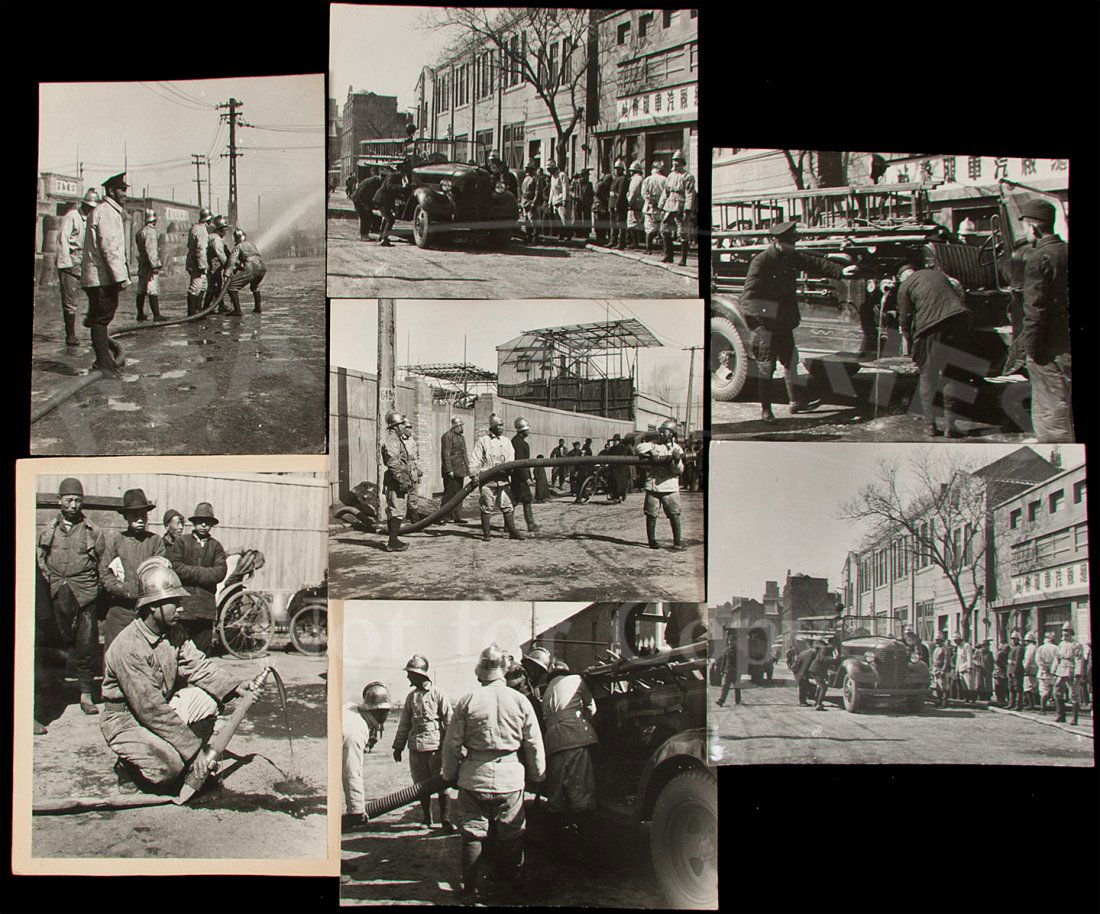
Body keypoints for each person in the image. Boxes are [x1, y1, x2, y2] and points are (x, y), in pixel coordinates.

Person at [100, 557, 253, 795]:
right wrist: (193, 752)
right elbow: (150, 708)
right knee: (171, 769)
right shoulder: (128, 647)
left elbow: (199, 666)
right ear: (153, 605)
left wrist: (236, 687)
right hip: (126, 720)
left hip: (156, 710)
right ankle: (127, 765)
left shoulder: (173, 631)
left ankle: (181, 757)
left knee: (209, 701)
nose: (181, 608)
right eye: (174, 602)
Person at [440, 643, 545, 900]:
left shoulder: (468, 700)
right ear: (504, 670)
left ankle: (470, 891)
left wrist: (449, 775)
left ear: (481, 671)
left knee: (472, 834)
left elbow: (452, 744)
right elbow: (533, 743)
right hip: (510, 779)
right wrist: (537, 776)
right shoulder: (520, 700)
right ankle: (515, 890)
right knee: (513, 834)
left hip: (474, 777)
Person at [742, 221, 859, 420]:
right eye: (789, 242)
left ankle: (795, 402)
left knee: (791, 361)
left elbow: (815, 263)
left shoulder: (790, 256)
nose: (792, 246)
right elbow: (749, 299)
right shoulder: (761, 261)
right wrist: (767, 319)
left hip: (784, 323)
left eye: (793, 242)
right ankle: (766, 410)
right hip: (767, 326)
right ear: (776, 241)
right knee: (766, 367)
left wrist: (841, 272)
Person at [35, 477, 102, 722]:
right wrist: (51, 581)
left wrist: (91, 589)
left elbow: (101, 563)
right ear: (59, 501)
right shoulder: (48, 529)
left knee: (86, 645)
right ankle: (56, 693)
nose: (74, 505)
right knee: (56, 646)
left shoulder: (92, 531)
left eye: (78, 500)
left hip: (84, 595)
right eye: (69, 500)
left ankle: (86, 694)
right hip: (56, 594)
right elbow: (41, 559)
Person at [895, 263, 976, 437]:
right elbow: (959, 291)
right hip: (958, 322)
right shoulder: (938, 273)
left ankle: (930, 425)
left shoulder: (905, 285)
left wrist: (909, 339)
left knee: (927, 376)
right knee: (953, 375)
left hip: (930, 329)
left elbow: (905, 316)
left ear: (902, 276)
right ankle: (950, 426)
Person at [1018, 199, 1072, 442]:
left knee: (1051, 413)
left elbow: (1034, 310)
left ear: (1033, 228)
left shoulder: (1038, 259)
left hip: (1048, 350)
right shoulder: (1065, 250)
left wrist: (1030, 349)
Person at [99, 488, 167, 652]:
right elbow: (104, 571)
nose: (140, 519)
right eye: (134, 515)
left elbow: (161, 572)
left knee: (145, 656)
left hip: (147, 613)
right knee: (115, 655)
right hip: (120, 611)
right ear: (126, 517)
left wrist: (145, 592)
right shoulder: (116, 540)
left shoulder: (155, 541)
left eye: (143, 514)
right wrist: (124, 589)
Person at [393, 654, 454, 831]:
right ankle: (427, 819)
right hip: (416, 750)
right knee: (420, 786)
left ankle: (445, 820)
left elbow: (449, 722)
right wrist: (398, 747)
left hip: (435, 749)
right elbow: (404, 723)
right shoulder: (410, 697)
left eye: (410, 673)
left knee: (442, 785)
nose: (408, 677)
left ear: (419, 674)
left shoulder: (439, 694)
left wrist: (451, 749)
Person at [80, 172, 131, 376]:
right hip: (102, 277)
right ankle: (103, 362)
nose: (125, 194)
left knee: (101, 317)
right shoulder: (107, 212)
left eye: (125, 190)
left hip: (100, 275)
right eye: (122, 190)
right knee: (101, 318)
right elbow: (109, 248)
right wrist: (121, 278)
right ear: (111, 191)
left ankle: (104, 361)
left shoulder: (108, 211)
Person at [541, 659, 598, 839]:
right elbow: (592, 708)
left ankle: (558, 840)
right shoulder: (576, 680)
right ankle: (585, 840)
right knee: (581, 791)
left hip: (553, 742)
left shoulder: (547, 690)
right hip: (574, 738)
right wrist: (584, 724)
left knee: (556, 792)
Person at [166, 502, 228, 655]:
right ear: (194, 523)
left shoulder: (216, 546)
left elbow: (220, 572)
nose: (204, 525)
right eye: (200, 521)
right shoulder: (182, 542)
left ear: (212, 525)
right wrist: (203, 573)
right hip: (183, 608)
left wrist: (193, 574)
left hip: (205, 610)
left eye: (208, 522)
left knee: (201, 653)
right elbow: (175, 566)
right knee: (178, 651)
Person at [343, 681, 393, 829]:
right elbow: (351, 771)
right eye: (385, 710)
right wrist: (357, 810)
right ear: (377, 711)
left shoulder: (353, 710)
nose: (388, 713)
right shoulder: (357, 730)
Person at [470, 413, 524, 542]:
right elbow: (475, 459)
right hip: (488, 480)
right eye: (499, 425)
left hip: (503, 480)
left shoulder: (506, 441)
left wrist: (506, 467)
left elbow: (511, 457)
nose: (501, 428)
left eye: (502, 425)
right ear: (492, 426)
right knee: (486, 505)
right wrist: (473, 474)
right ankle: (486, 533)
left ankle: (512, 531)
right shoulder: (483, 441)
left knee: (507, 505)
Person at [56, 189, 99, 346]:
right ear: (84, 204)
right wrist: (66, 264)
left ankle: (91, 320)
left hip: (88, 262)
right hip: (71, 261)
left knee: (96, 294)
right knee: (70, 300)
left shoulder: (94, 219)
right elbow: (62, 240)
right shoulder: (72, 216)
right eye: (88, 206)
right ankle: (70, 335)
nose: (90, 210)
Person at [637, 419, 685, 550]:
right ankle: (652, 541)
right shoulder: (653, 444)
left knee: (674, 514)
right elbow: (639, 448)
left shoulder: (677, 449)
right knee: (651, 514)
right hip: (653, 486)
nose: (662, 434)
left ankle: (677, 542)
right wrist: (655, 450)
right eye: (661, 432)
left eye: (665, 432)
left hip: (670, 486)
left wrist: (675, 460)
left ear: (671, 434)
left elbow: (679, 471)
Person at [381, 412, 422, 552]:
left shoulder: (396, 440)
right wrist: (401, 480)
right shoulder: (392, 440)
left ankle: (394, 540)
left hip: (398, 479)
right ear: (395, 427)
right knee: (396, 509)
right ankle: (392, 542)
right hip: (395, 480)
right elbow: (393, 463)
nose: (404, 427)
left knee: (398, 509)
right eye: (401, 425)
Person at [658, 151, 696, 266]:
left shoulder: (687, 176)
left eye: (677, 161)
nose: (675, 163)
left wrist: (687, 209)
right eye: (674, 160)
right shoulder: (670, 176)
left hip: (680, 205)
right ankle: (668, 255)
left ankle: (683, 259)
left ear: (682, 162)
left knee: (682, 232)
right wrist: (661, 206)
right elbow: (665, 192)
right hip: (669, 205)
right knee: (664, 229)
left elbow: (690, 194)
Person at [224, 228, 266, 315]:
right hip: (262, 267)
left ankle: (237, 311)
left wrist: (227, 273)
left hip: (251, 267)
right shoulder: (252, 244)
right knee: (254, 286)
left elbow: (232, 260)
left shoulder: (238, 247)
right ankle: (258, 308)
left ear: (236, 238)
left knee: (232, 287)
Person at [134, 209, 164, 322]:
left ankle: (140, 314)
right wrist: (154, 265)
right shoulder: (151, 232)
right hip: (149, 265)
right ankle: (156, 315)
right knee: (152, 288)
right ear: (154, 220)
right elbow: (151, 250)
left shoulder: (140, 232)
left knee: (141, 289)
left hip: (142, 263)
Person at [510, 417, 539, 533]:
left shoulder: (518, 441)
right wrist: (526, 478)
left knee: (518, 500)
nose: (529, 431)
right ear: (523, 430)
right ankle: (530, 525)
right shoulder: (518, 443)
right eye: (527, 429)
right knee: (520, 500)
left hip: (520, 476)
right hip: (519, 477)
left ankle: (510, 524)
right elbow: (520, 462)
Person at [440, 416, 471, 525]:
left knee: (459, 494)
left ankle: (457, 516)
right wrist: (449, 470)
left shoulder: (461, 438)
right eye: (460, 426)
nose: (462, 428)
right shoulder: (447, 436)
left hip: (460, 469)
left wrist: (468, 469)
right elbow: (445, 455)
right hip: (452, 470)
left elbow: (464, 454)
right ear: (456, 426)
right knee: (448, 494)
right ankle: (443, 516)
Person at [1052, 623, 1084, 725]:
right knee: (1057, 691)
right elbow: (1057, 658)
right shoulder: (1061, 644)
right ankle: (1061, 715)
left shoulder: (1076, 645)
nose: (1065, 633)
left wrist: (1077, 673)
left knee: (1074, 693)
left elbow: (1079, 660)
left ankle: (1075, 718)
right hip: (1061, 668)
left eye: (1067, 631)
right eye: (1063, 631)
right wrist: (1053, 671)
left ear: (1071, 632)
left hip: (1071, 669)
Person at [185, 206, 213, 316]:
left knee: (203, 286)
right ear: (208, 220)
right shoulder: (201, 230)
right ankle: (192, 313)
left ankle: (198, 310)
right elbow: (201, 249)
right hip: (197, 263)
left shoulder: (196, 228)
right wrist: (203, 266)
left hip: (195, 261)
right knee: (196, 286)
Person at [640, 161, 667, 255]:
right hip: (661, 207)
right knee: (662, 229)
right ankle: (664, 250)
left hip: (649, 208)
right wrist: (660, 204)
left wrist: (651, 202)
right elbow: (666, 193)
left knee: (649, 228)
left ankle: (648, 249)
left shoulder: (647, 179)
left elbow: (644, 193)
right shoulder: (665, 180)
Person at [205, 215, 231, 311]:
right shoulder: (216, 239)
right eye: (224, 228)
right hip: (213, 265)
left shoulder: (216, 237)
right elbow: (220, 253)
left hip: (215, 265)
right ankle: (206, 308)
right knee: (213, 286)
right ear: (219, 228)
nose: (226, 231)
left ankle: (220, 306)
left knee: (217, 286)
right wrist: (227, 266)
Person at [1035, 629, 1059, 714]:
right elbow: (1057, 660)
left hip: (1043, 673)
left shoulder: (1041, 648)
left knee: (1044, 691)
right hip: (1053, 673)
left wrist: (1044, 668)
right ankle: (1057, 710)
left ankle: (1043, 709)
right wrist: (1052, 669)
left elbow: (1038, 661)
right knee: (1055, 691)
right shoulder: (1056, 648)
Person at [810, 636, 836, 711]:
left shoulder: (828, 649)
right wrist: (834, 659)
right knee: (824, 687)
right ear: (831, 644)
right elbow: (823, 659)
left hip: (817, 670)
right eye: (834, 644)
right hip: (816, 670)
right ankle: (819, 705)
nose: (834, 647)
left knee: (820, 686)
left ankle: (817, 702)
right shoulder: (825, 648)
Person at [717, 631, 742, 707]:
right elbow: (723, 661)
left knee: (737, 686)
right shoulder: (726, 650)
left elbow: (742, 662)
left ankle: (737, 700)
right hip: (728, 671)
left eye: (732, 640)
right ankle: (721, 700)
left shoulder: (739, 651)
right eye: (729, 640)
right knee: (725, 686)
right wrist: (721, 670)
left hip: (736, 671)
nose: (730, 642)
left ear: (735, 641)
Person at [609, 159, 629, 250]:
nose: (616, 170)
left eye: (618, 168)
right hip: (612, 203)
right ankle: (613, 241)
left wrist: (617, 205)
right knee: (613, 224)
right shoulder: (615, 178)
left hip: (620, 204)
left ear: (622, 169)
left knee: (620, 224)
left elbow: (621, 193)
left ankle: (621, 243)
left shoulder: (623, 179)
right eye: (615, 168)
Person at [546, 161, 569, 242]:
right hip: (554, 201)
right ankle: (561, 236)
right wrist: (549, 203)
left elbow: (565, 187)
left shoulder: (562, 175)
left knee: (564, 220)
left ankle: (568, 237)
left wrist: (564, 199)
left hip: (561, 201)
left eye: (549, 169)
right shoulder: (552, 177)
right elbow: (552, 190)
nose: (548, 171)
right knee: (557, 221)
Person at [520, 161, 540, 244]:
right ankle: (528, 236)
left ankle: (535, 237)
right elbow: (522, 190)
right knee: (526, 220)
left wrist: (534, 203)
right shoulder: (526, 178)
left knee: (534, 220)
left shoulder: (536, 178)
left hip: (532, 201)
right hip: (525, 201)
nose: (526, 170)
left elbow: (538, 191)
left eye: (528, 168)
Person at [626, 160, 645, 249]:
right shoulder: (641, 178)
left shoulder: (635, 179)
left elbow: (633, 191)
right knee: (638, 222)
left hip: (635, 203)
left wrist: (630, 202)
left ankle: (635, 242)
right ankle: (636, 241)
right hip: (640, 203)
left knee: (632, 223)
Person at [952, 633, 974, 704]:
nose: (955, 642)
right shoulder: (959, 647)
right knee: (963, 685)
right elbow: (958, 659)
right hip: (961, 668)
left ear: (959, 639)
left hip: (966, 667)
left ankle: (973, 699)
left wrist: (969, 667)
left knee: (969, 684)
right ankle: (966, 699)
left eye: (956, 640)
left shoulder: (967, 646)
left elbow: (969, 656)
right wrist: (956, 670)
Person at [1006, 632, 1025, 710]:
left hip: (1016, 671)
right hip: (1010, 670)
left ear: (1018, 640)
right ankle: (1011, 703)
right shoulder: (1012, 648)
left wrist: (1014, 670)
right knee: (1011, 688)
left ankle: (1018, 705)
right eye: (1012, 639)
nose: (1013, 641)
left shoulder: (1019, 648)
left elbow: (1018, 661)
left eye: (1015, 639)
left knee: (1018, 688)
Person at [931, 632, 950, 707]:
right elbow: (933, 660)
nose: (937, 641)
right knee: (937, 686)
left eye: (939, 640)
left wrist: (943, 670)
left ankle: (945, 701)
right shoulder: (936, 649)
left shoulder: (945, 649)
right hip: (935, 668)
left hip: (942, 669)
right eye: (936, 640)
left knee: (944, 686)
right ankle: (938, 700)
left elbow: (946, 660)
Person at [593, 170, 612, 245]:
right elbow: (596, 194)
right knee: (598, 222)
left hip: (604, 206)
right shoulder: (600, 184)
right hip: (599, 206)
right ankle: (599, 237)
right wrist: (604, 200)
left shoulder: (607, 186)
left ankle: (603, 236)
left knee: (604, 221)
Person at [1022, 632, 1040, 710]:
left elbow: (1028, 660)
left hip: (1030, 669)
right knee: (1033, 686)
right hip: (1035, 668)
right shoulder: (1036, 647)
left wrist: (1025, 669)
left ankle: (1030, 704)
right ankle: (1033, 703)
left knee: (1028, 687)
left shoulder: (1030, 648)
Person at [993, 637, 1010, 707]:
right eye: (1005, 649)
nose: (1006, 651)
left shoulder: (1006, 654)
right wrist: (1005, 665)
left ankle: (1003, 699)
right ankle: (999, 699)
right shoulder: (999, 654)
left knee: (1004, 686)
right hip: (999, 672)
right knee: (999, 686)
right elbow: (997, 662)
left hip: (1004, 672)